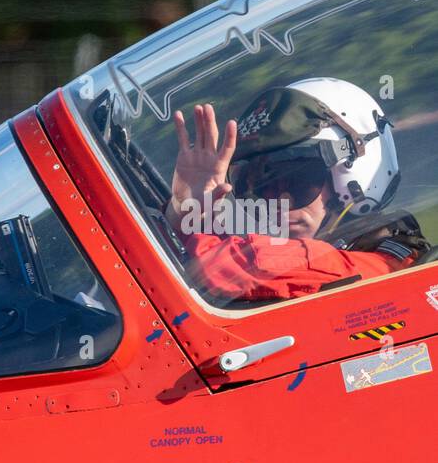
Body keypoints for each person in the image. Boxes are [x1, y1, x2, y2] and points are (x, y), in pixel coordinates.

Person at [164, 77, 427, 303]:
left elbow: (239, 265)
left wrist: (193, 221)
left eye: (297, 180)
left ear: (351, 177)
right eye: (259, 187)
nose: (277, 203)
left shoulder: (382, 265)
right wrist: (184, 207)